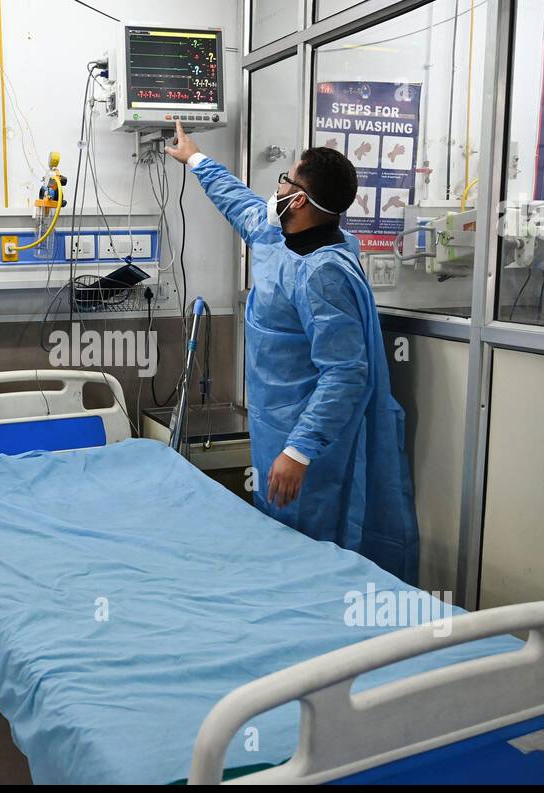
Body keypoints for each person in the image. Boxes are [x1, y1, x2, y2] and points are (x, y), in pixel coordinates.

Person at [165, 121, 419, 583]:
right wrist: (195, 158)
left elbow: (345, 372)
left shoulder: (324, 274)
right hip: (273, 424)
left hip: (307, 438)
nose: (277, 184)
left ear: (298, 199)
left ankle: (331, 644)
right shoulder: (277, 234)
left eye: (286, 178)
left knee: (310, 549)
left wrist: (299, 451)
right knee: (277, 536)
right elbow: (239, 202)